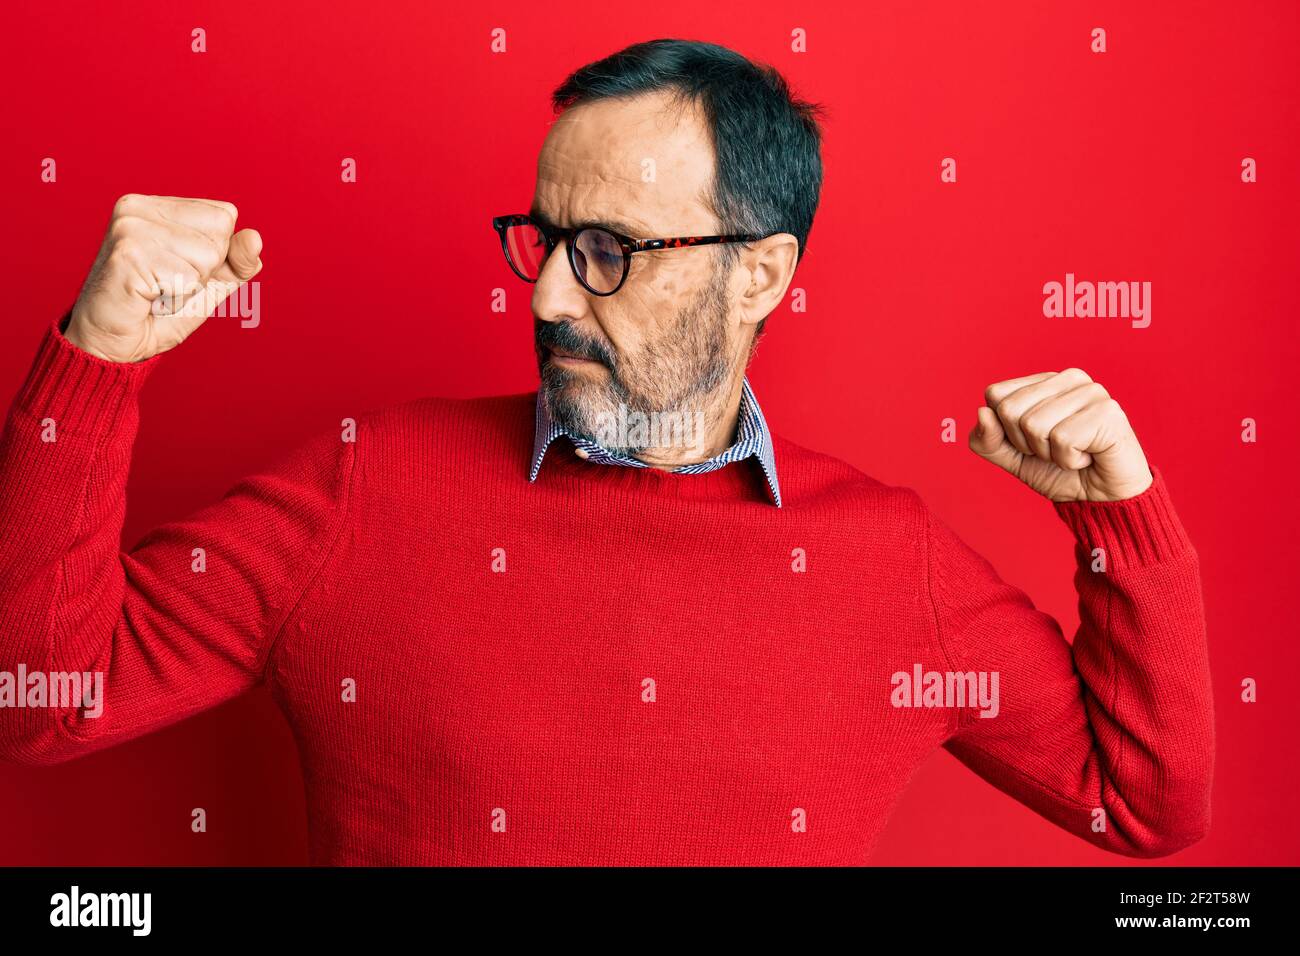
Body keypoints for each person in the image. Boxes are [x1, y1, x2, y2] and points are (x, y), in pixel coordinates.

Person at [0, 38, 1212, 865]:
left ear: (762, 272)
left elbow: (1146, 806)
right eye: (543, 238)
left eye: (610, 250)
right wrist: (96, 364)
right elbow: (43, 703)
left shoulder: (888, 562)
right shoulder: (365, 486)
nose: (544, 304)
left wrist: (1123, 518)